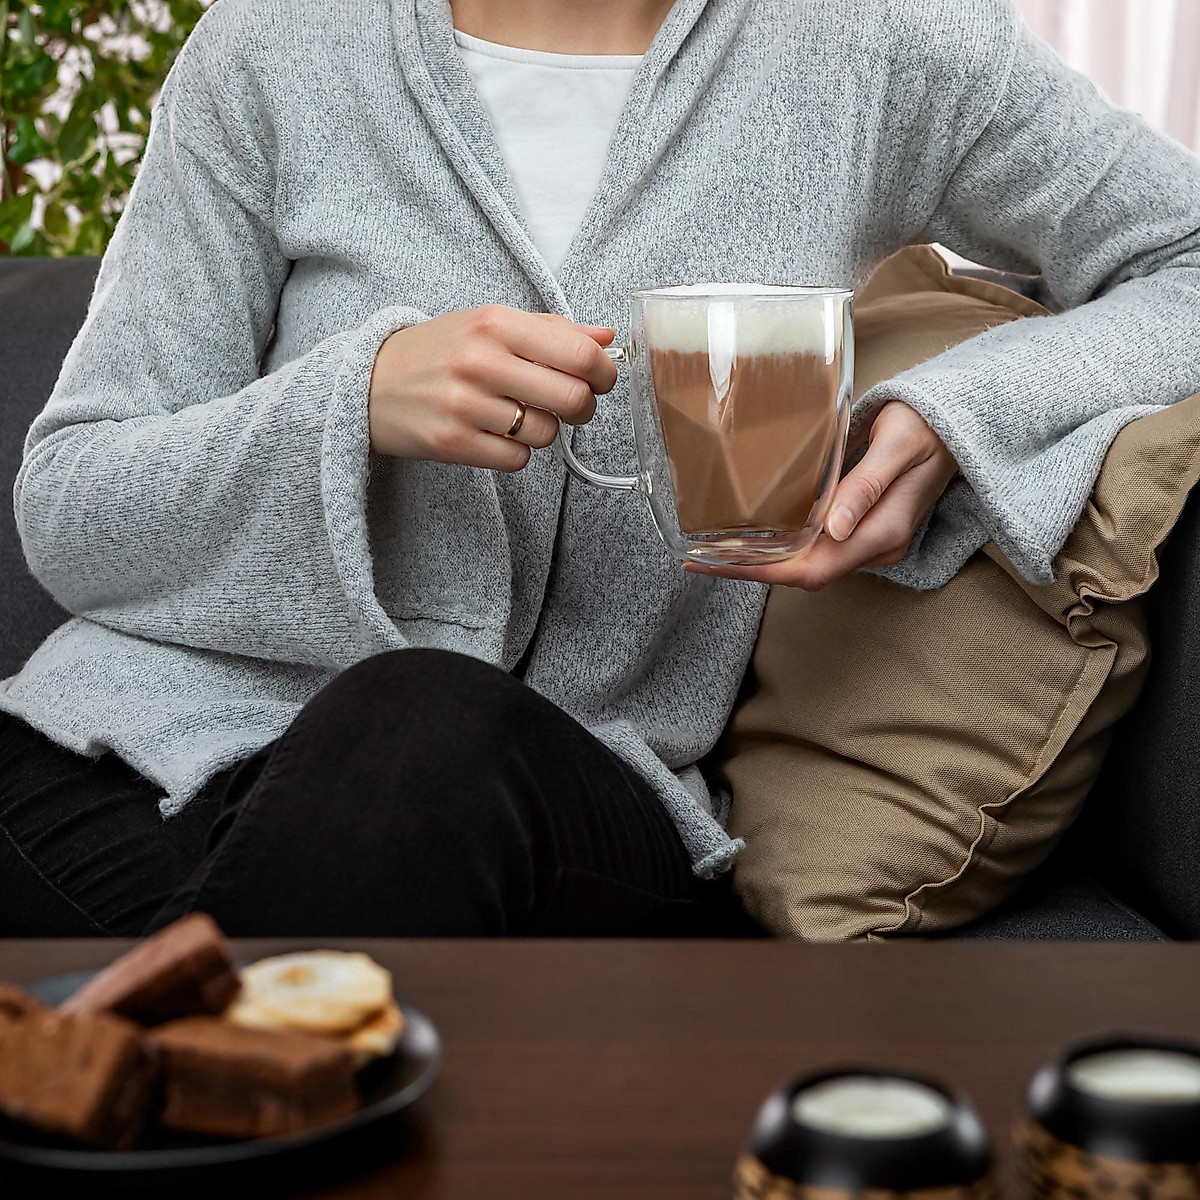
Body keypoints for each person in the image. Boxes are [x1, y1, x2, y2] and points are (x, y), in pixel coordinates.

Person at [1, 0, 1198, 938]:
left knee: (416, 725)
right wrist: (352, 401)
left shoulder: (876, 40)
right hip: (141, 750)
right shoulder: (269, 46)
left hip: (548, 796)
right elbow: (70, 502)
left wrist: (953, 416)